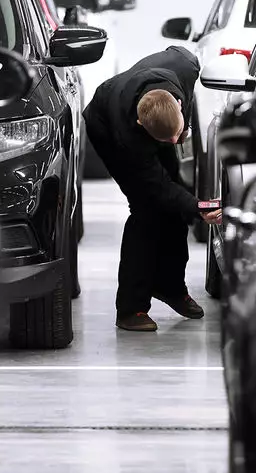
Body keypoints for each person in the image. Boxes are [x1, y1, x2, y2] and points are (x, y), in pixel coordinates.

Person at [83, 46, 222, 332]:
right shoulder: (128, 138)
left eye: (177, 135)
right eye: (167, 140)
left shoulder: (185, 66)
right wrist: (197, 208)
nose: (175, 143)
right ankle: (131, 309)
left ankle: (171, 287)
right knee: (147, 210)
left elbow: (182, 55)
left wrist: (189, 205)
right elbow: (158, 188)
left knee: (175, 204)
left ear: (180, 106)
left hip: (155, 115)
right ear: (141, 125)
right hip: (104, 124)